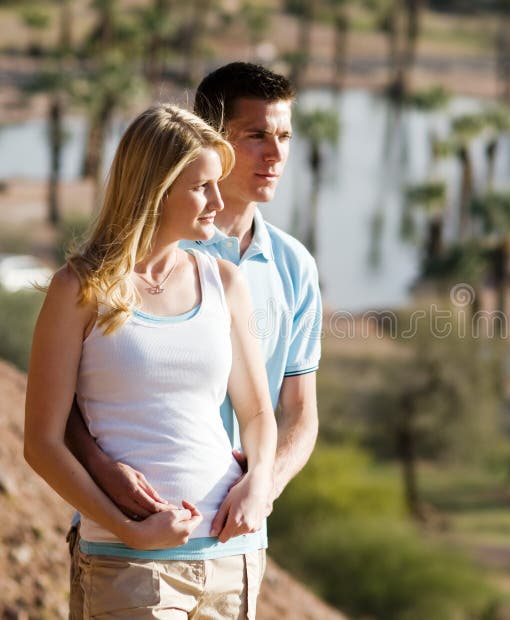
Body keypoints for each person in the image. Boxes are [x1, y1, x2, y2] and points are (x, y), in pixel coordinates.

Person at [64, 63, 322, 616]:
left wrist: (259, 489)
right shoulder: (128, 265)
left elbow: (297, 412)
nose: (275, 155)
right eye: (256, 136)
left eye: (284, 137)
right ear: (206, 133)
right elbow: (61, 402)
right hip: (134, 534)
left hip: (233, 540)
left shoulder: (294, 268)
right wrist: (105, 472)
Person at [25, 104, 278, 618]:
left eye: (217, 184)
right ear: (155, 191)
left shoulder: (226, 283)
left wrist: (258, 485)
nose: (216, 200)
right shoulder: (78, 290)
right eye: (201, 187)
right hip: (128, 567)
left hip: (232, 559)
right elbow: (42, 443)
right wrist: (130, 531)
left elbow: (256, 414)